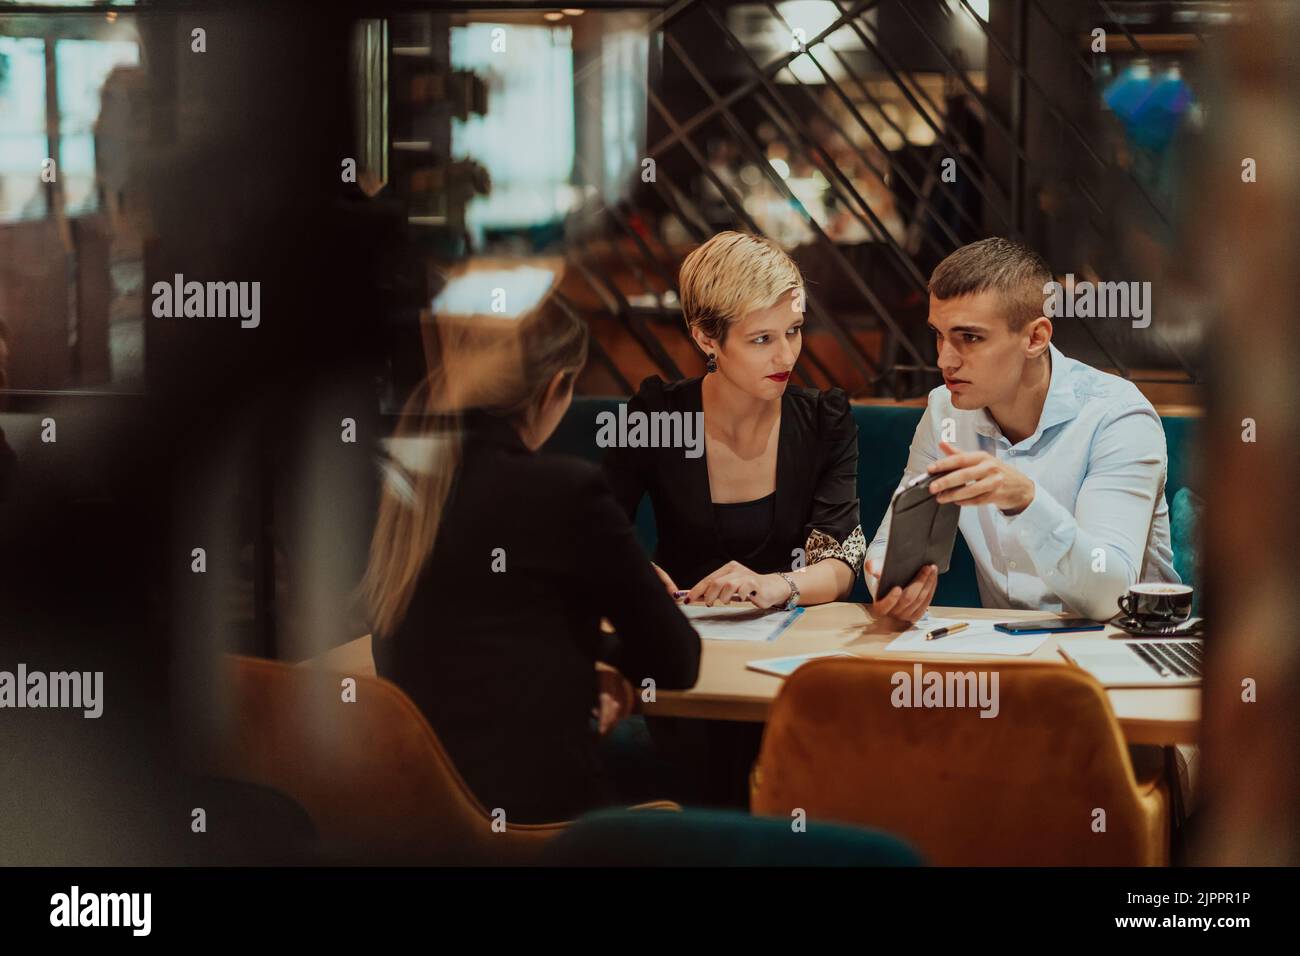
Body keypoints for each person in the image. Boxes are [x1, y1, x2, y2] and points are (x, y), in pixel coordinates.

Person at [364, 284, 700, 825]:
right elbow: (678, 660)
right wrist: (601, 653)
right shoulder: (566, 490)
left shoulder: (410, 483)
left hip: (420, 821)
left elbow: (474, 632)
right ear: (557, 388)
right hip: (546, 830)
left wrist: (577, 652)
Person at [864, 237, 1179, 623]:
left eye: (970, 338)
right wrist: (889, 581)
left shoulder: (1117, 417)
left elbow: (1111, 597)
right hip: (1008, 649)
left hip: (1125, 648)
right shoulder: (945, 409)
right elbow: (892, 541)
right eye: (939, 335)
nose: (944, 359)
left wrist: (1025, 500)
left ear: (1035, 338)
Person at [604, 231, 866, 609]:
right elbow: (596, 532)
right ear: (706, 339)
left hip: (792, 637)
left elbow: (841, 563)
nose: (786, 357)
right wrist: (631, 569)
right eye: (762, 339)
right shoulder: (656, 416)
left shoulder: (825, 421)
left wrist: (780, 584)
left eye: (793, 331)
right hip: (683, 635)